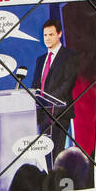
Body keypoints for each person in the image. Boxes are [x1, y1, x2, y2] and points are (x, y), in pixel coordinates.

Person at [30, 19, 79, 157]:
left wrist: (47, 100)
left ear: (59, 34)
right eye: (45, 35)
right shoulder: (40, 59)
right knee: (45, 155)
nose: (47, 38)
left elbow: (67, 84)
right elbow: (35, 85)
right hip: (43, 114)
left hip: (59, 112)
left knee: (56, 153)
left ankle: (55, 178)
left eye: (51, 34)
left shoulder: (69, 56)